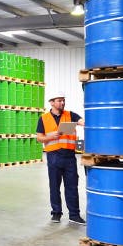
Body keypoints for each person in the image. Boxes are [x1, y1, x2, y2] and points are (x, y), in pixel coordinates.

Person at [36, 91, 86, 225]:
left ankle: (74, 215)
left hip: (69, 156)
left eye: (63, 100)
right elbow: (39, 138)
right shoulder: (43, 118)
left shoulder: (70, 115)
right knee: (54, 186)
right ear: (52, 102)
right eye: (59, 100)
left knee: (72, 186)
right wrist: (50, 136)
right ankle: (56, 213)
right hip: (53, 156)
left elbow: (83, 122)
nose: (62, 103)